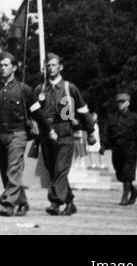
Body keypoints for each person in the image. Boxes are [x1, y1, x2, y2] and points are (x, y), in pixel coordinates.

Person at [32, 52, 93, 216]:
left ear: (60, 67)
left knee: (60, 169)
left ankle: (55, 202)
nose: (50, 68)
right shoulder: (40, 89)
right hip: (47, 133)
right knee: (53, 171)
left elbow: (83, 109)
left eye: (53, 64)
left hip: (65, 132)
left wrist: (91, 131)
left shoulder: (69, 87)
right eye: (48, 65)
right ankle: (70, 201)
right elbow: (33, 112)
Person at [0, 51, 36, 216]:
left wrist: (47, 129)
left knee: (13, 169)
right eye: (1, 65)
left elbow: (36, 111)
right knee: (6, 170)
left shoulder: (24, 89)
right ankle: (22, 201)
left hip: (17, 133)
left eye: (6, 65)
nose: (2, 68)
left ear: (14, 68)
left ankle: (7, 203)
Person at [102, 91, 137, 205]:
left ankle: (124, 197)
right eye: (119, 102)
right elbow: (106, 133)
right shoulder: (112, 118)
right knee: (119, 174)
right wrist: (103, 145)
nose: (120, 104)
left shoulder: (135, 118)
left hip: (130, 149)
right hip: (117, 150)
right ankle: (134, 191)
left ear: (128, 103)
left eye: (123, 102)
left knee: (127, 173)